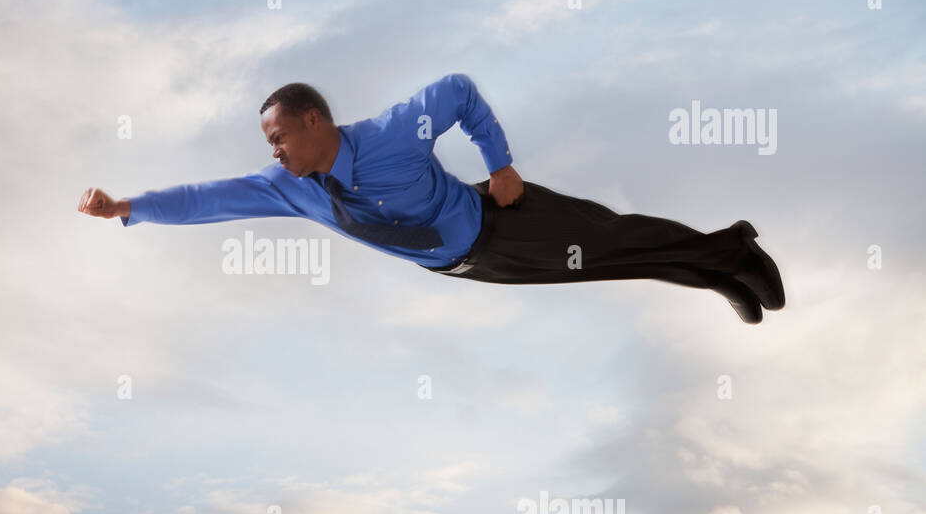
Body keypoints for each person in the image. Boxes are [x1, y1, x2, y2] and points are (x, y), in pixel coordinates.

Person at [78, 74, 784, 323]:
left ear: (313, 121)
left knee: (621, 240)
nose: (274, 150)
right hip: (469, 266)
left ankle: (734, 247)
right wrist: (128, 207)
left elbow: (458, 90)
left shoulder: (390, 134)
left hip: (503, 220)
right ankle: (724, 275)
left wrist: (501, 165)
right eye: (268, 142)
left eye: (279, 135)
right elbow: (206, 199)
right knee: (611, 266)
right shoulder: (289, 189)